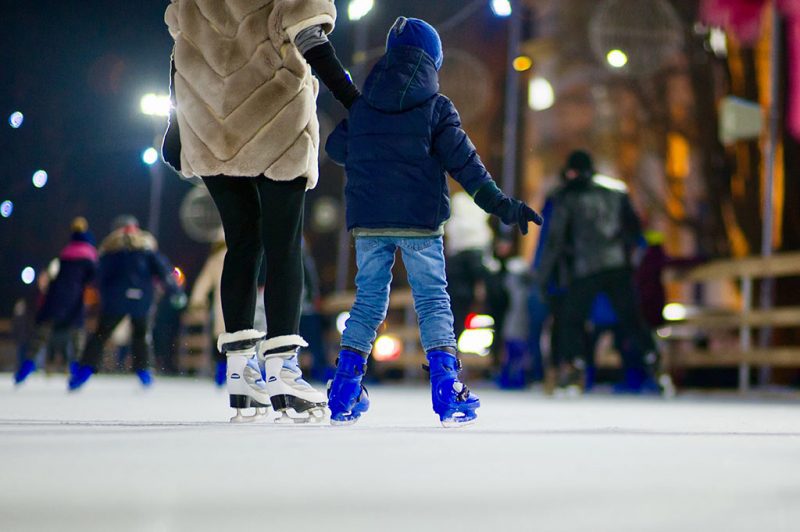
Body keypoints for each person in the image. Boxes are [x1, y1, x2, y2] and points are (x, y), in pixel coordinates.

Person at [325, 17, 542, 427]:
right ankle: (445, 385)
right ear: (433, 59)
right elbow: (467, 166)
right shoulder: (436, 108)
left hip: (370, 220)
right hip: (420, 221)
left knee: (369, 301)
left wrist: (368, 130)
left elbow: (337, 148)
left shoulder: (363, 105)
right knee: (432, 300)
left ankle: (344, 387)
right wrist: (504, 206)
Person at [162, 0, 360, 423]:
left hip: (209, 128)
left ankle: (240, 373)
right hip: (274, 122)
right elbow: (310, 37)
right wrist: (355, 103)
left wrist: (175, 128)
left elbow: (181, 49)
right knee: (283, 246)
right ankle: (283, 371)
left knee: (241, 245)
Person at [536, 150, 666, 392]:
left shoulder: (567, 196)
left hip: (584, 267)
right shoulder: (617, 192)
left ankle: (575, 367)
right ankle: (653, 361)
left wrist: (542, 276)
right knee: (632, 319)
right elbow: (634, 231)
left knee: (572, 319)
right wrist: (630, 258)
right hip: (617, 264)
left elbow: (555, 241)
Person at [68, 216, 182, 390]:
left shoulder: (110, 249)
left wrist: (100, 292)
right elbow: (164, 271)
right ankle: (144, 373)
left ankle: (84, 371)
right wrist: (175, 292)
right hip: (141, 298)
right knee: (141, 334)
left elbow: (98, 275)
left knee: (101, 335)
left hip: (115, 299)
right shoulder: (146, 249)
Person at [14, 217, 98, 384]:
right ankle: (77, 370)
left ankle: (26, 366)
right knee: (77, 335)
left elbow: (51, 277)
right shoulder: (89, 255)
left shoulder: (65, 254)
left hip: (57, 296)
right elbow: (94, 277)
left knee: (42, 334)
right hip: (74, 297)